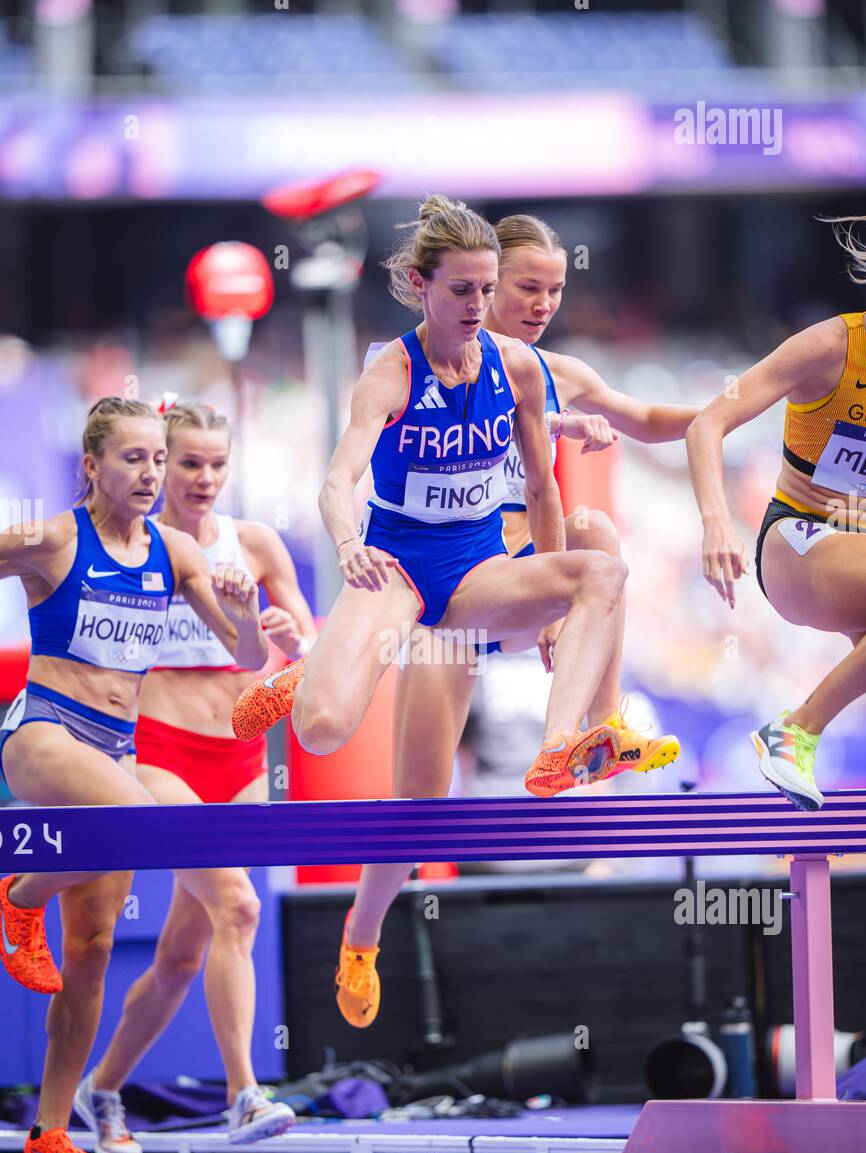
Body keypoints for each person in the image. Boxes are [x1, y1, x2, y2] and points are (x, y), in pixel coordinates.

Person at [332, 211, 695, 1026]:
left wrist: (742, 403)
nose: (540, 304)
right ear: (468, 288)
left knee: (600, 541)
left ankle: (591, 732)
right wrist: (564, 427)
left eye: (554, 290)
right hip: (442, 597)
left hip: (513, 575)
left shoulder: (548, 369)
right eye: (524, 287)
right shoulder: (405, 363)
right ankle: (362, 934)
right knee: (418, 800)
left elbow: (646, 422)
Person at [234, 194, 628, 812]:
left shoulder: (517, 367)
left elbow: (541, 487)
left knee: (603, 568)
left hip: (477, 572)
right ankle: (306, 678)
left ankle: (559, 745)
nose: (477, 307)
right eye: (461, 290)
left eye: (487, 290)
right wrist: (347, 545)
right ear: (420, 284)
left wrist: (551, 605)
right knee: (323, 730)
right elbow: (337, 482)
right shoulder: (391, 373)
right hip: (395, 569)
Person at [0, 396, 268, 1153]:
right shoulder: (51, 539)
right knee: (149, 823)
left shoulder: (176, 553)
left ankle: (50, 1133)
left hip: (113, 752)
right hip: (45, 735)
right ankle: (20, 897)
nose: (151, 473)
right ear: (92, 465)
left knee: (90, 951)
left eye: (159, 458)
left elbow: (246, 656)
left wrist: (250, 614)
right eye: (133, 459)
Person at [75, 401, 316, 1153]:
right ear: (156, 464)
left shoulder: (255, 542)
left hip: (243, 761)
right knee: (238, 907)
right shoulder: (135, 550)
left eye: (217, 464)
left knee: (182, 955)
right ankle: (244, 1095)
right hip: (159, 754)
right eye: (187, 463)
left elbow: (305, 640)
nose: (203, 478)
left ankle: (102, 1087)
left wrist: (287, 635)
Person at [687, 215, 866, 812]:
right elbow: (707, 422)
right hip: (798, 540)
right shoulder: (831, 344)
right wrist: (716, 521)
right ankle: (796, 730)